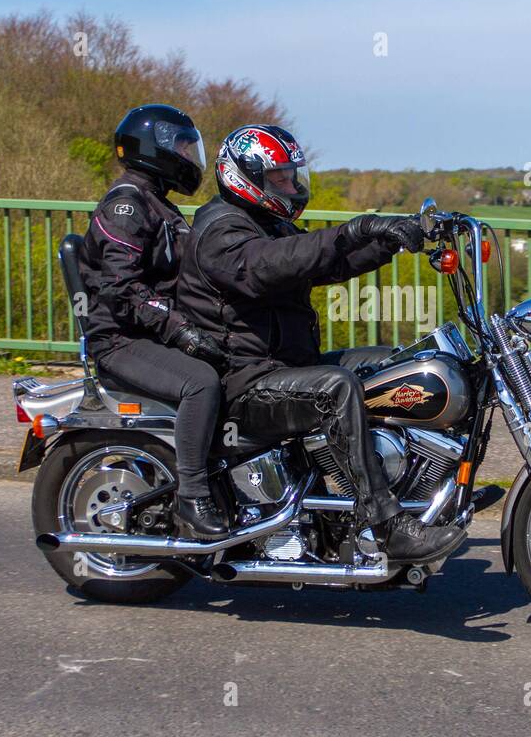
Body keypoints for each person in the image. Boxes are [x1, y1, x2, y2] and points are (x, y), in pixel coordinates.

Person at [176, 124, 463, 561]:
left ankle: (430, 488)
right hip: (244, 379)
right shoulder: (221, 230)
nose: (291, 186)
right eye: (279, 179)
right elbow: (273, 265)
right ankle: (385, 524)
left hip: (282, 365)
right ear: (245, 176)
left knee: (395, 363)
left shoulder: (264, 222)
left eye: (292, 176)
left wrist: (392, 240)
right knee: (337, 387)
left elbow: (324, 264)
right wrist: (356, 227)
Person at [79, 104, 228, 537]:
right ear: (155, 147)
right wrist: (181, 331)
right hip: (120, 340)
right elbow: (121, 288)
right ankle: (192, 497)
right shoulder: (127, 205)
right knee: (200, 382)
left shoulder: (158, 204)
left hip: (146, 333)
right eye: (182, 146)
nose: (188, 155)